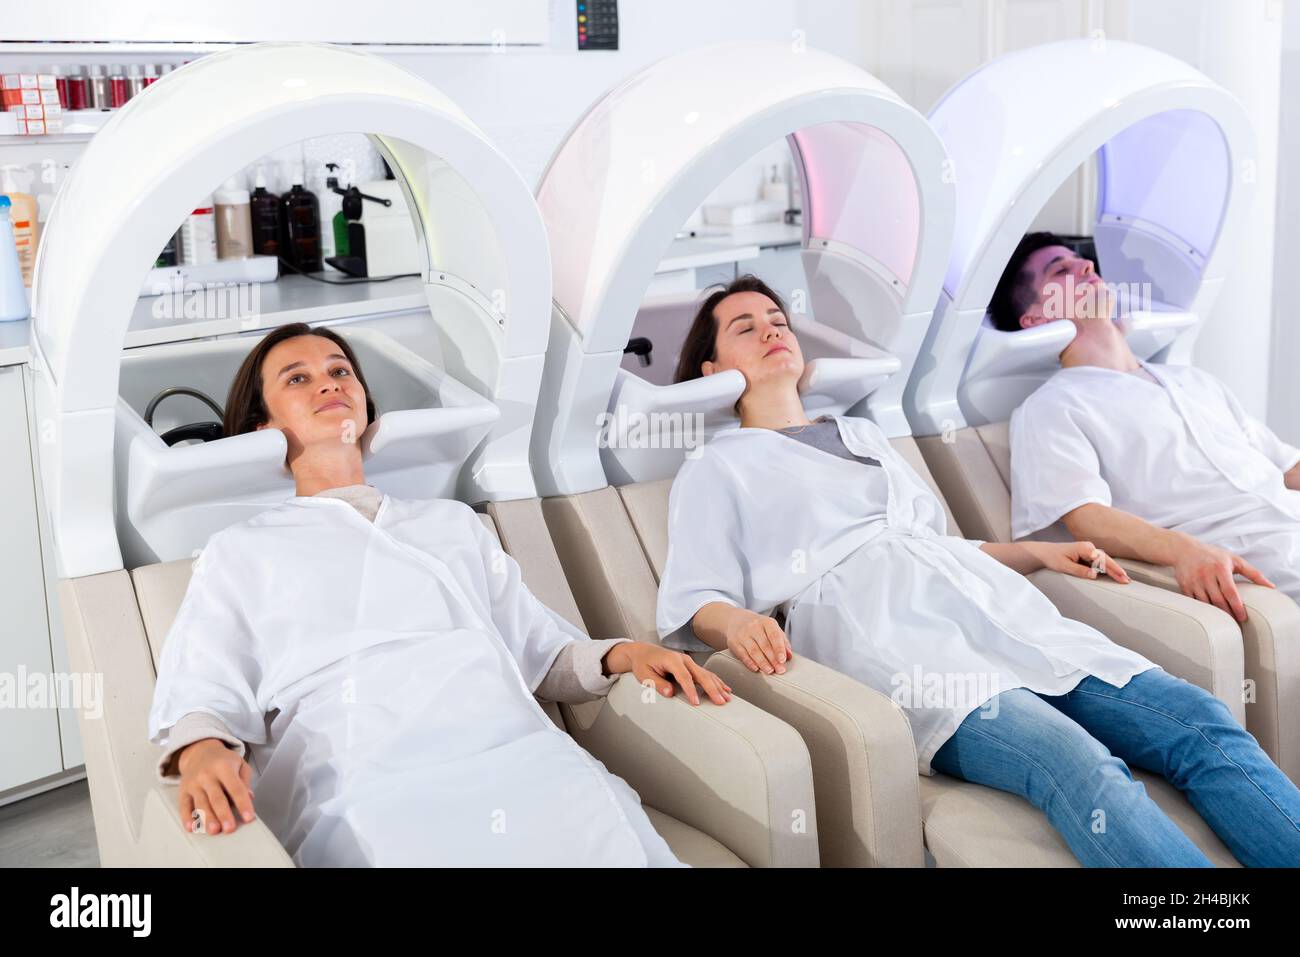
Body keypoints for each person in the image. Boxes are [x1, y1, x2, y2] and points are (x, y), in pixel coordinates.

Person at [656, 274, 1300, 867]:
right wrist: (735, 622)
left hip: (1002, 615)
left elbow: (936, 544)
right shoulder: (718, 466)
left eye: (778, 319)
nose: (772, 330)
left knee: (1201, 721)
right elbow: (693, 597)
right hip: (898, 646)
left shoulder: (863, 436)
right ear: (712, 370)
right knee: (1080, 764)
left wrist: (1039, 553)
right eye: (746, 327)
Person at [148, 321, 732, 867]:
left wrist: (628, 653)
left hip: (516, 753)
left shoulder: (448, 524)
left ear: (365, 405)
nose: (328, 382)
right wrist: (202, 749)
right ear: (263, 427)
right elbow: (205, 678)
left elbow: (542, 652)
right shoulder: (243, 548)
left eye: (340, 370)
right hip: (366, 778)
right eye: (297, 378)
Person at [997, 231, 1300, 625]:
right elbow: (1085, 516)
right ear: (1036, 318)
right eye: (1062, 270)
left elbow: (1286, 466)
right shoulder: (1052, 407)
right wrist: (1181, 550)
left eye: (1081, 261)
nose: (1086, 265)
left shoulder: (1194, 381)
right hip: (1263, 553)